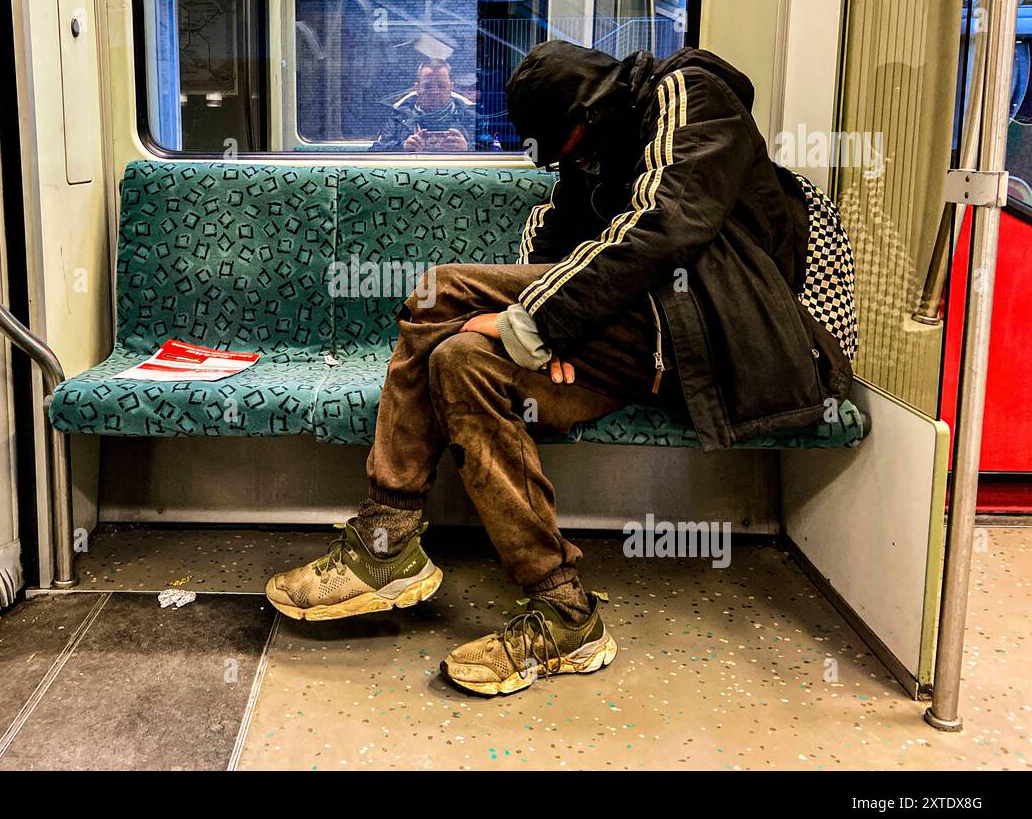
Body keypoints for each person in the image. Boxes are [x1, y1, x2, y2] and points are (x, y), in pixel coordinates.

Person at [267, 41, 858, 697]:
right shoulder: (596, 139)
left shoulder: (691, 95)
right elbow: (560, 232)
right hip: (635, 336)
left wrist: (538, 322)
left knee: (439, 292)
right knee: (460, 359)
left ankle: (387, 536)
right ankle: (563, 611)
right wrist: (557, 333)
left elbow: (661, 223)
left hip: (716, 338)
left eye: (563, 145)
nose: (562, 161)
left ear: (589, 108)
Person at [370, 58, 477, 151]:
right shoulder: (398, 118)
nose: (435, 92)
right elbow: (374, 151)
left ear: (451, 87)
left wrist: (468, 148)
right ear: (417, 88)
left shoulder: (471, 117)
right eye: (428, 86)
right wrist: (402, 147)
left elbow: (491, 147)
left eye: (441, 85)